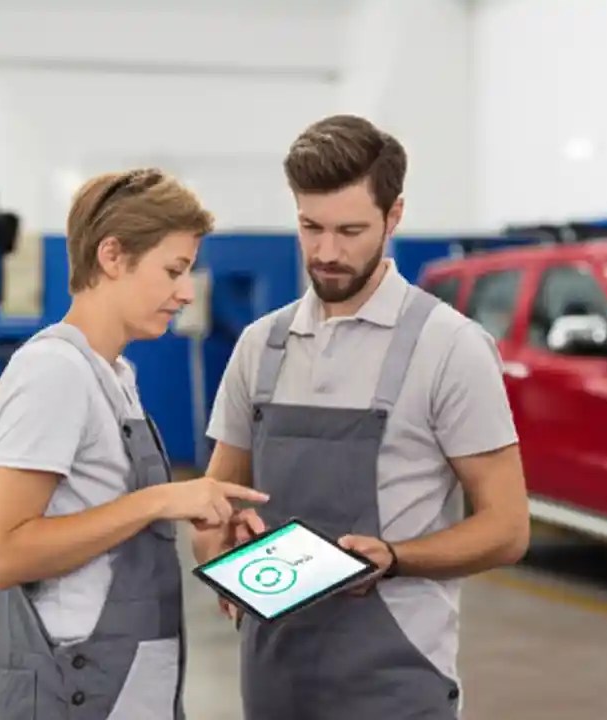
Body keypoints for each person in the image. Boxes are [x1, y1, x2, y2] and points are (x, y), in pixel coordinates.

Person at [194, 114, 531, 719]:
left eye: (350, 230)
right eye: (310, 227)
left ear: (393, 216)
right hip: (274, 681)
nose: (327, 253)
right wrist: (223, 546)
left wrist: (396, 557)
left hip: (395, 685)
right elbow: (212, 516)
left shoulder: (449, 346)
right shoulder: (259, 347)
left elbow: (507, 527)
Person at [0, 167, 270, 719]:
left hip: (135, 681)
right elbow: (3, 555)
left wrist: (202, 517)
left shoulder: (115, 375)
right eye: (173, 270)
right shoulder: (52, 371)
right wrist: (160, 501)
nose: (186, 292)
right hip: (81, 688)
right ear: (112, 256)